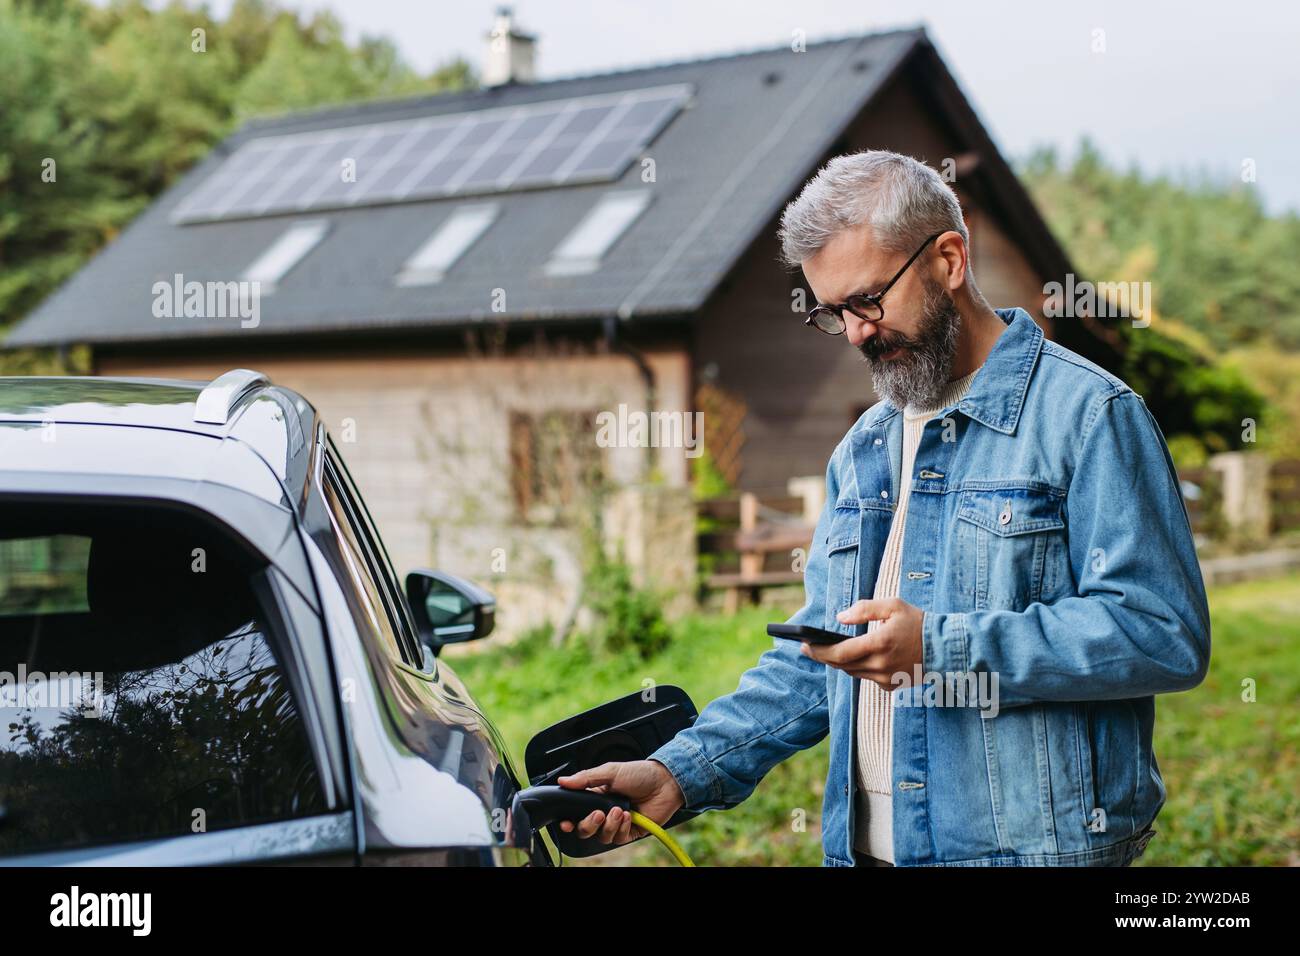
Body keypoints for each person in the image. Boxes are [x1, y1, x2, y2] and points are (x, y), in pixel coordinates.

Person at [557, 150, 1210, 866]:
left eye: (868, 299)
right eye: (835, 313)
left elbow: (1162, 633)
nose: (858, 332)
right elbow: (819, 661)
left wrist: (940, 648)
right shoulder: (863, 447)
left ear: (950, 260)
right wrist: (679, 773)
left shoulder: (1090, 417)